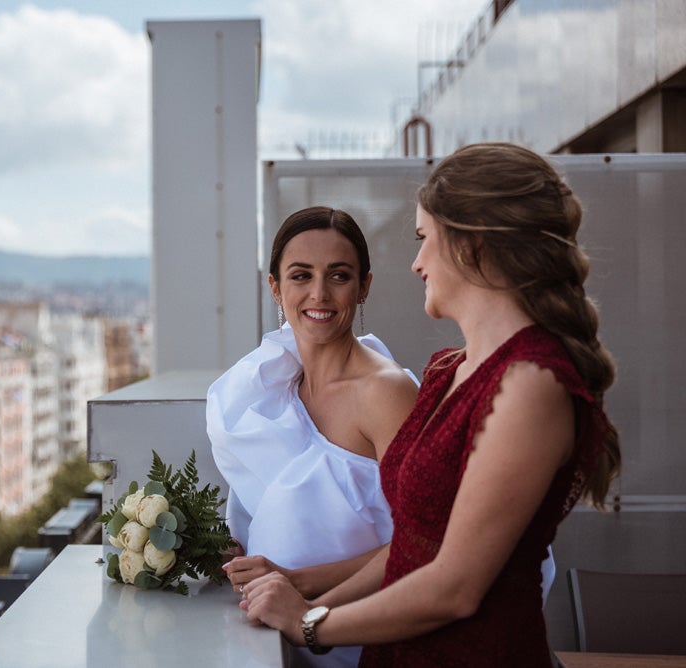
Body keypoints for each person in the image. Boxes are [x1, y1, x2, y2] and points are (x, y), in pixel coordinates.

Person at [238, 143, 621, 667]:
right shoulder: (447, 370)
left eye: (424, 239)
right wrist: (302, 594)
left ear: (475, 244)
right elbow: (415, 544)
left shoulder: (533, 384)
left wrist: (308, 624)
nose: (417, 263)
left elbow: (455, 587)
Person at [206, 206, 420, 667]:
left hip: (361, 640)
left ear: (364, 286)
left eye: (338, 276)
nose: (318, 293)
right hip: (275, 636)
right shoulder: (274, 388)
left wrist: (301, 589)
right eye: (301, 276)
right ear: (275, 287)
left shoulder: (385, 392)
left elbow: (423, 541)